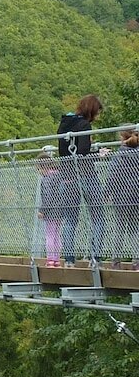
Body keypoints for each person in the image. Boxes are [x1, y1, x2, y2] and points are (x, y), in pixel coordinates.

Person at [57, 94, 107, 265]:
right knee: (99, 216)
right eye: (97, 113)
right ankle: (95, 256)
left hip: (67, 177)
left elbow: (67, 152)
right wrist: (98, 154)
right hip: (86, 176)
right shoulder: (84, 125)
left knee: (70, 220)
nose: (97, 117)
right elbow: (83, 153)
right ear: (91, 110)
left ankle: (69, 259)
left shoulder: (64, 125)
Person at [106, 129, 139, 270]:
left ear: (122, 137)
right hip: (136, 196)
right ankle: (137, 261)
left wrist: (107, 192)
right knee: (135, 229)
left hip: (121, 197)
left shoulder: (120, 154)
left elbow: (113, 175)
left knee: (119, 229)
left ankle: (116, 261)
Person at [37, 153, 66, 267]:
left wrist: (42, 210)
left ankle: (50, 259)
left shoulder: (47, 179)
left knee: (49, 235)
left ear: (43, 167)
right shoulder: (59, 176)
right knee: (57, 234)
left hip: (50, 211)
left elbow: (47, 196)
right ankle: (57, 259)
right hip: (60, 209)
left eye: (39, 169)